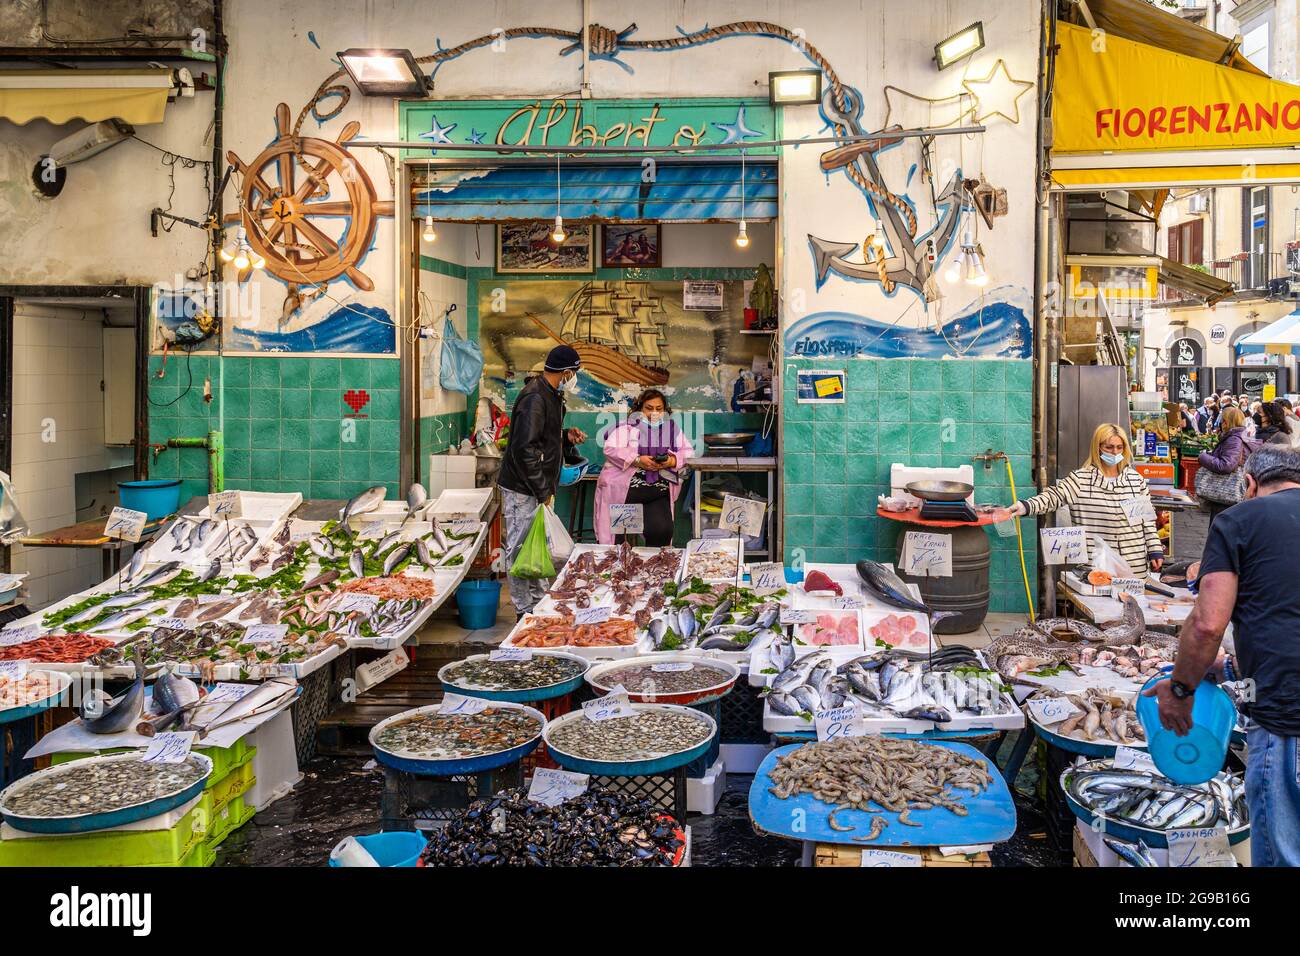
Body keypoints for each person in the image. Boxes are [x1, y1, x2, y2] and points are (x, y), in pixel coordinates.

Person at [1145, 446, 1300, 866]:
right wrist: (1230, 666)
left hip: (1288, 719)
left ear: (1249, 484)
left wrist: (1180, 688)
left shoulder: (1238, 521)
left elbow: (1207, 624)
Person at [496, 345, 588, 618]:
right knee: (521, 547)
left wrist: (564, 437)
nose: (574, 378)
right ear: (566, 372)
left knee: (537, 546)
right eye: (574, 373)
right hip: (523, 487)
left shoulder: (550, 395)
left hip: (538, 487)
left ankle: (539, 602)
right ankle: (524, 610)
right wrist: (541, 490)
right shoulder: (535, 398)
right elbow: (524, 449)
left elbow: (539, 438)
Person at [1009, 423, 1163, 576]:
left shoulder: (1136, 480)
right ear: (1097, 448)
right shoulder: (1080, 479)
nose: (1115, 452)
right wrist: (1026, 506)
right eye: (1109, 447)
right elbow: (1053, 496)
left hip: (1134, 567)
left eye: (1119, 447)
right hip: (1098, 569)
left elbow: (1146, 521)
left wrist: (1155, 549)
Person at [593, 389, 696, 546]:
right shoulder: (626, 428)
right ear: (640, 409)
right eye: (649, 408)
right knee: (617, 543)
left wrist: (671, 461)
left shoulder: (671, 430)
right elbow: (610, 449)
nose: (654, 413)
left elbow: (688, 452)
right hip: (625, 494)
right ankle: (617, 566)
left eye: (658, 409)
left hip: (656, 492)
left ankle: (653, 567)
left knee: (662, 530)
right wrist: (637, 460)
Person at [1197, 406, 1260, 527]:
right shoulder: (1243, 435)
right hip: (1232, 494)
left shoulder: (1234, 439)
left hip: (1226, 492)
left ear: (1226, 421)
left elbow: (1227, 465)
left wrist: (1203, 457)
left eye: (1222, 420)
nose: (1221, 423)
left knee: (1219, 530)